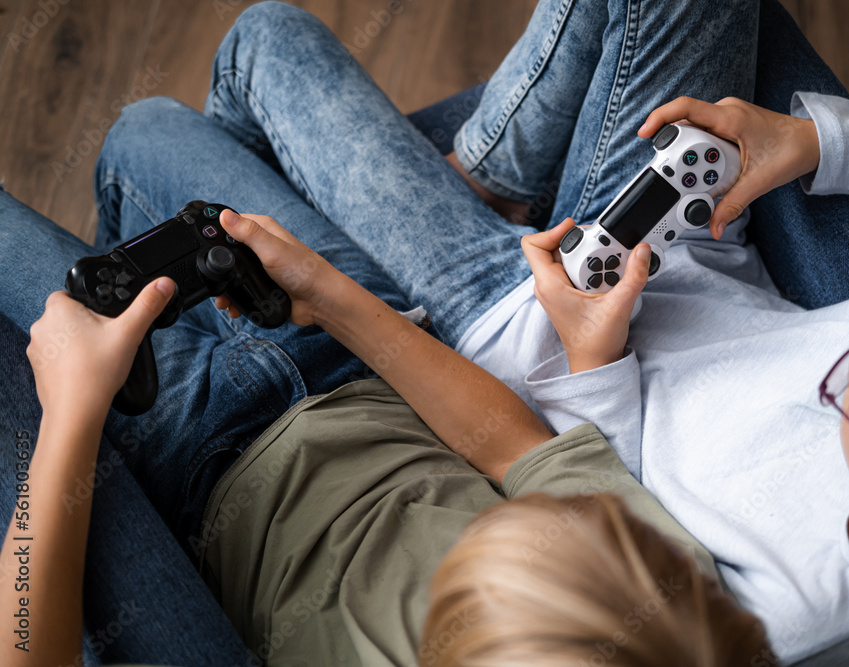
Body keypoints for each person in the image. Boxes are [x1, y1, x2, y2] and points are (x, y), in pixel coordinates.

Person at [192, 1, 849, 666]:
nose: (834, 372)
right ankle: (490, 173)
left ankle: (492, 181)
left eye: (847, 384)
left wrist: (592, 361)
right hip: (683, 246)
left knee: (264, 43)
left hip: (533, 334)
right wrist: (821, 143)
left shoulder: (798, 618)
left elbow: (616, 535)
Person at [0, 195, 770, 666]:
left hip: (192, 469)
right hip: (355, 361)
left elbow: (34, 650)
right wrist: (329, 295)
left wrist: (69, 410)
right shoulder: (672, 614)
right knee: (152, 126)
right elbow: (516, 449)